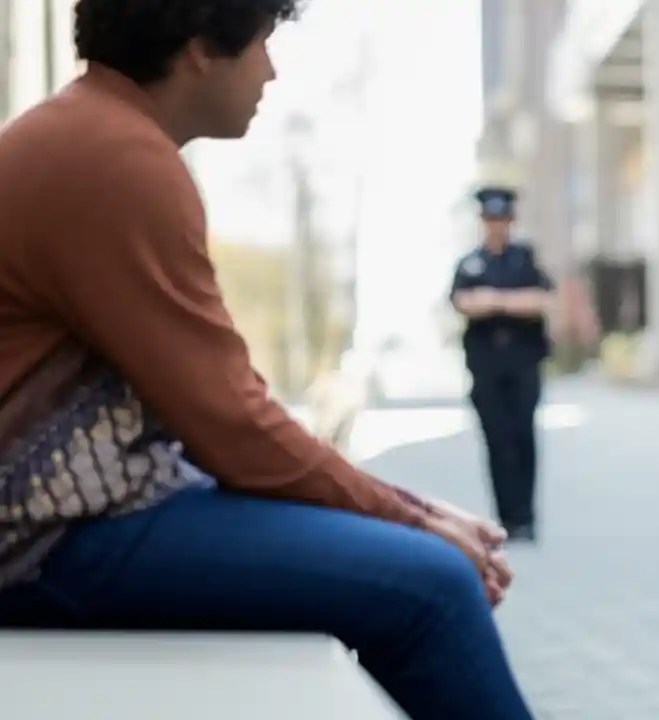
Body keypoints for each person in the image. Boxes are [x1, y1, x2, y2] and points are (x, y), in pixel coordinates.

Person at [0, 2, 533, 718]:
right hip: (44, 542)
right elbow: (233, 428)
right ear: (198, 48)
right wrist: (407, 518)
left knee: (406, 566)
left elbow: (226, 417)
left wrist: (397, 508)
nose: (271, 71)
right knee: (432, 585)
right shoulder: (115, 158)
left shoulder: (87, 133)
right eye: (261, 43)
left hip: (81, 518)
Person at [450, 186, 554, 542]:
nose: (497, 226)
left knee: (523, 437)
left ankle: (526, 517)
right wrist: (508, 302)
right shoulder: (470, 263)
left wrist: (494, 300)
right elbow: (463, 302)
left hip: (523, 365)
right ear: (483, 221)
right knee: (497, 441)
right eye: (491, 219)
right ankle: (506, 518)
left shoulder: (524, 259)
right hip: (486, 368)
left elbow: (540, 300)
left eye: (503, 219)